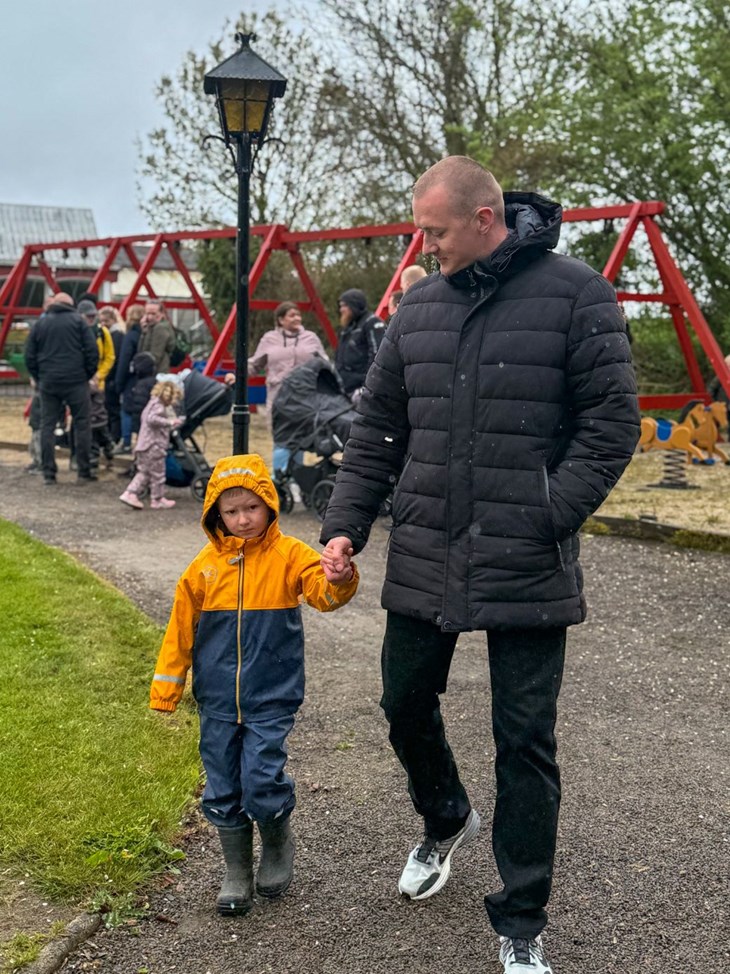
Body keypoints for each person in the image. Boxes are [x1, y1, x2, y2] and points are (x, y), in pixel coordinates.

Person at [320, 156, 641, 974]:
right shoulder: (417, 309)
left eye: (432, 231)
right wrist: (345, 524)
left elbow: (611, 425)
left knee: (524, 740)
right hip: (427, 548)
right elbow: (380, 431)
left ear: (485, 219)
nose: (422, 246)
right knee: (400, 701)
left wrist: (549, 513)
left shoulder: (577, 295)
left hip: (527, 558)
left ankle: (522, 919)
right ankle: (444, 816)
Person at [149, 453, 359, 916]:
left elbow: (325, 595)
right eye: (231, 511)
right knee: (221, 785)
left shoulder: (291, 556)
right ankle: (236, 869)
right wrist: (167, 689)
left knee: (262, 779)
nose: (243, 519)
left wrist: (339, 578)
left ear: (269, 504)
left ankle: (278, 838)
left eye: (252, 507)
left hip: (272, 695)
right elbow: (179, 632)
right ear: (215, 515)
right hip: (219, 700)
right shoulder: (202, 569)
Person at [24, 292, 99, 484]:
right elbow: (92, 351)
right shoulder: (78, 322)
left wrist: (39, 376)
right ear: (71, 304)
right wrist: (86, 374)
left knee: (47, 425)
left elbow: (29, 355)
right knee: (82, 424)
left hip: (49, 381)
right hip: (75, 380)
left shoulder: (41, 324)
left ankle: (49, 472)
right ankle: (83, 470)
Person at [248, 301, 327, 475]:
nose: (297, 318)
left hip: (305, 398)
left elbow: (324, 363)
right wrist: (238, 374)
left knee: (300, 440)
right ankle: (280, 479)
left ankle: (296, 479)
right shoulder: (269, 339)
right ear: (280, 319)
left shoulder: (311, 338)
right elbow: (255, 364)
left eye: (298, 315)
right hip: (278, 397)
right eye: (291, 315)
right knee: (281, 439)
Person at [119, 379, 182, 510]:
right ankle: (155, 499)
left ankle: (132, 493)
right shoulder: (158, 407)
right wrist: (170, 422)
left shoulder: (151, 404)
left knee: (145, 472)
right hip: (153, 446)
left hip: (144, 445)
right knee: (158, 474)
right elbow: (152, 419)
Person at [333, 289, 386, 401]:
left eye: (344, 306)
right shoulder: (348, 328)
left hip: (361, 389)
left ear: (354, 305)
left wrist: (367, 386)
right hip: (345, 388)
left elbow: (378, 356)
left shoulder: (371, 323)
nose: (341, 309)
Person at [114, 304, 145, 453]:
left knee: (126, 410)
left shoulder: (130, 336)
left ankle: (126, 442)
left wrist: (118, 383)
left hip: (130, 379)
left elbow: (124, 360)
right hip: (144, 377)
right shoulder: (145, 334)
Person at [98, 305, 126, 444]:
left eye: (106, 321)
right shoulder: (116, 335)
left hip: (111, 378)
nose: (103, 324)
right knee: (109, 409)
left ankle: (114, 437)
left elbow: (116, 359)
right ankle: (111, 436)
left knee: (112, 410)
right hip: (110, 378)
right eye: (101, 321)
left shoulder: (116, 336)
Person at [138, 300, 176, 372]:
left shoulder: (160, 328)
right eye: (147, 313)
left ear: (161, 314)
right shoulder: (151, 327)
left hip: (157, 371)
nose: (150, 317)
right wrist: (144, 332)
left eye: (153, 314)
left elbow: (155, 356)